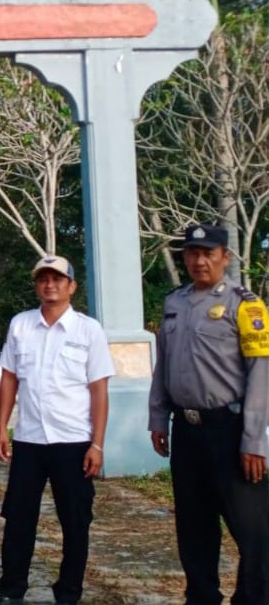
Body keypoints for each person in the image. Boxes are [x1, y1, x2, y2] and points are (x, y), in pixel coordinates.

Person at [148, 223, 269, 605]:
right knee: (194, 526)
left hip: (230, 431)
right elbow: (163, 366)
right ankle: (201, 597)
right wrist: (157, 418)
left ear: (225, 257)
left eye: (208, 253)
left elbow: (261, 372)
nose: (200, 261)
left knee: (253, 530)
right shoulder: (174, 303)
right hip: (187, 430)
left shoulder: (245, 304)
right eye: (192, 253)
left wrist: (253, 439)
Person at [0, 255, 114, 605]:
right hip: (30, 439)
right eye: (43, 279)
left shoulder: (88, 330)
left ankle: (69, 592)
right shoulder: (20, 325)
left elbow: (99, 390)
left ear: (71, 286)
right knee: (18, 520)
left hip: (73, 441)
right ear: (36, 285)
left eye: (57, 279)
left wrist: (98, 444)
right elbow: (9, 379)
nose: (50, 285)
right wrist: (2, 427)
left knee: (75, 522)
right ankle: (11, 590)